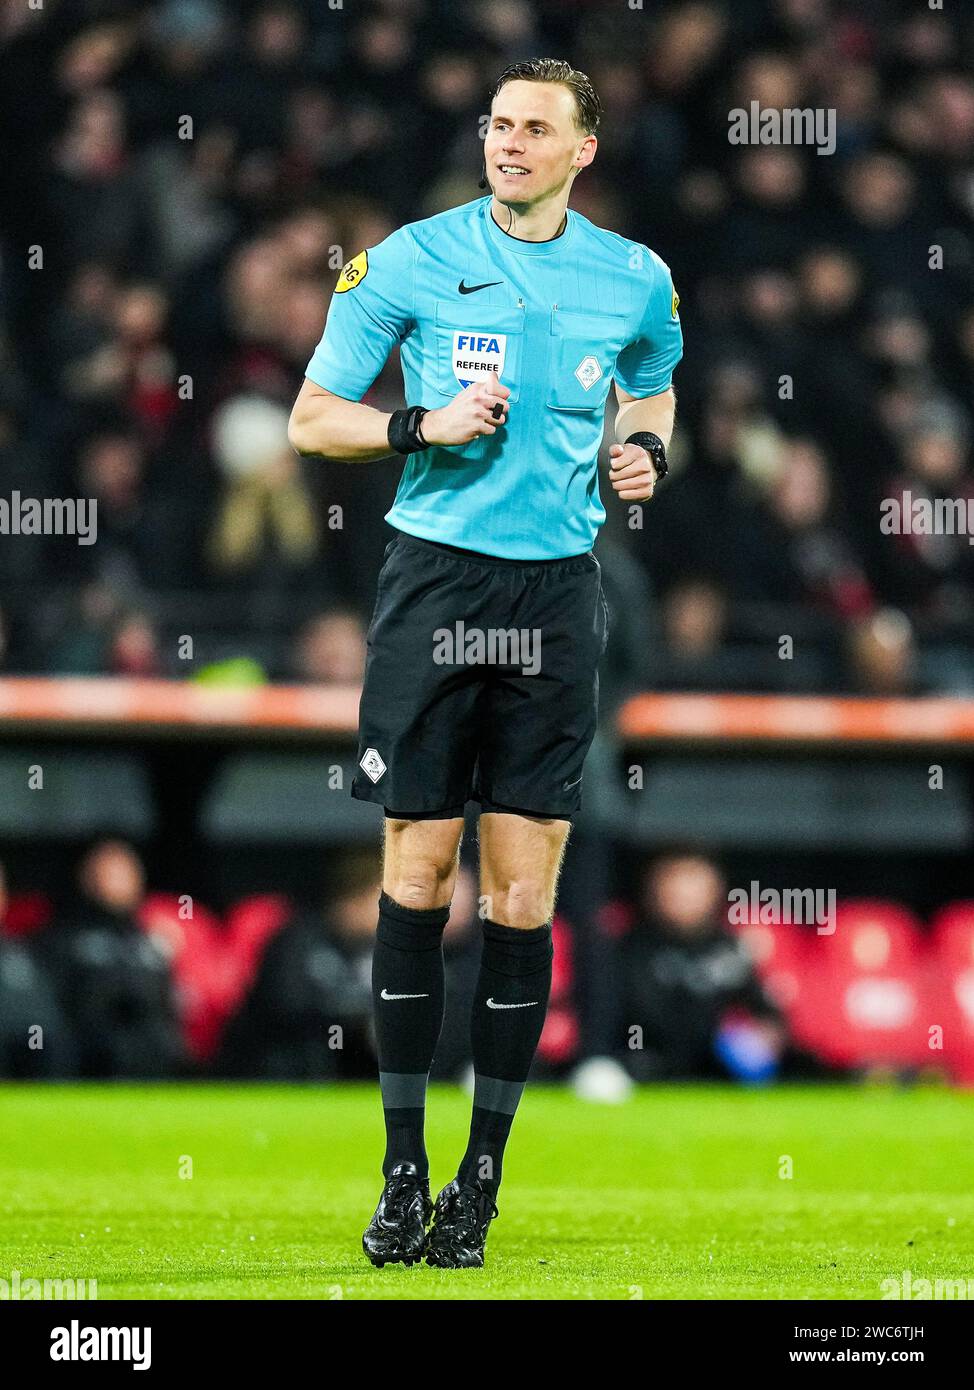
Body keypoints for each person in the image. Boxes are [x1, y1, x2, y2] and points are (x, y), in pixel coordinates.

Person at [288, 58, 682, 1269]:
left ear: (582, 151)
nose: (506, 142)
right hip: (435, 582)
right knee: (416, 872)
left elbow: (654, 394)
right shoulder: (407, 255)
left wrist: (644, 461)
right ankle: (401, 1174)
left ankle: (480, 1183)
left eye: (532, 129)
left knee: (522, 893)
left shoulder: (635, 277)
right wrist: (420, 425)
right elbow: (313, 414)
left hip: (557, 595)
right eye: (496, 124)